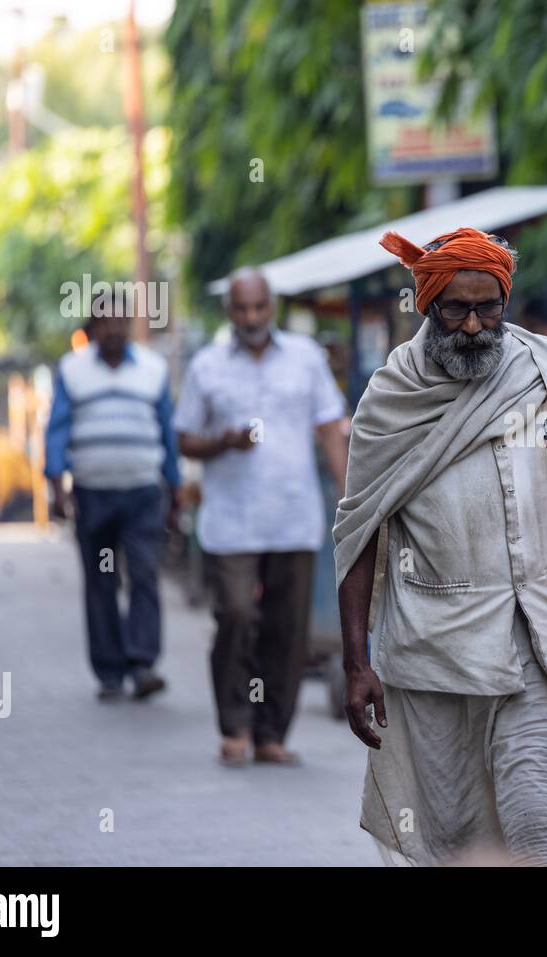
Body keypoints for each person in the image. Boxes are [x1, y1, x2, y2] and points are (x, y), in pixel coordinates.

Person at [333, 226, 547, 866]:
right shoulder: (389, 397)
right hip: (433, 651)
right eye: (455, 308)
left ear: (505, 302)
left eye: (487, 307)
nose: (471, 325)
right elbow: (358, 530)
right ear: (427, 306)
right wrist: (357, 662)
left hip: (533, 640)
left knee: (543, 832)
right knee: (457, 845)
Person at [174, 266, 350, 767]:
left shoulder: (305, 358)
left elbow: (331, 427)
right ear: (228, 311)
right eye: (241, 308)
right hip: (231, 521)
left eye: (259, 307)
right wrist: (221, 442)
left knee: (286, 629)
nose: (251, 317)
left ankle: (271, 733)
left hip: (294, 516)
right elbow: (184, 436)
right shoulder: (207, 366)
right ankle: (235, 725)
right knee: (235, 614)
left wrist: (346, 496)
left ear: (271, 308)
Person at [44, 291, 180, 701]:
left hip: (142, 493)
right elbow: (56, 432)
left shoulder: (153, 371)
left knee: (143, 575)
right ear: (93, 326)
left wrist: (174, 489)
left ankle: (141, 664)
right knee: (101, 579)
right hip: (93, 494)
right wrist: (56, 487)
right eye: (106, 321)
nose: (115, 328)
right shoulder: (73, 371)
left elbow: (167, 434)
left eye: (122, 321)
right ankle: (108, 670)